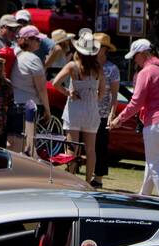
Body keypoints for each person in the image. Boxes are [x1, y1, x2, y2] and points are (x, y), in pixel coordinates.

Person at [111, 38, 159, 197]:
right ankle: (144, 195)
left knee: (155, 163)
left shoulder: (146, 72)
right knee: (154, 160)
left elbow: (136, 102)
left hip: (158, 122)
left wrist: (119, 119)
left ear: (143, 54)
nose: (135, 61)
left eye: (135, 56)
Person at [56, 29, 103, 186]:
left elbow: (55, 83)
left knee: (72, 147)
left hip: (75, 109)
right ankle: (88, 181)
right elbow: (102, 93)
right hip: (91, 110)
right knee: (91, 150)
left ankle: (70, 179)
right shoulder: (98, 69)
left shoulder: (72, 66)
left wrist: (68, 93)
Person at [9, 25, 50, 153]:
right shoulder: (33, 59)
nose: (39, 42)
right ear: (28, 40)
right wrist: (48, 110)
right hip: (28, 108)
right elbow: (42, 89)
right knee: (27, 145)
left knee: (12, 143)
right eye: (37, 39)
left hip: (12, 104)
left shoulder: (13, 53)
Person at [94, 32, 120, 180]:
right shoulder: (87, 64)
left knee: (100, 146)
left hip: (102, 114)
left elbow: (115, 94)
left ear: (105, 49)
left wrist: (112, 113)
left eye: (98, 46)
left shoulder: (112, 69)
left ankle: (98, 178)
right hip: (86, 111)